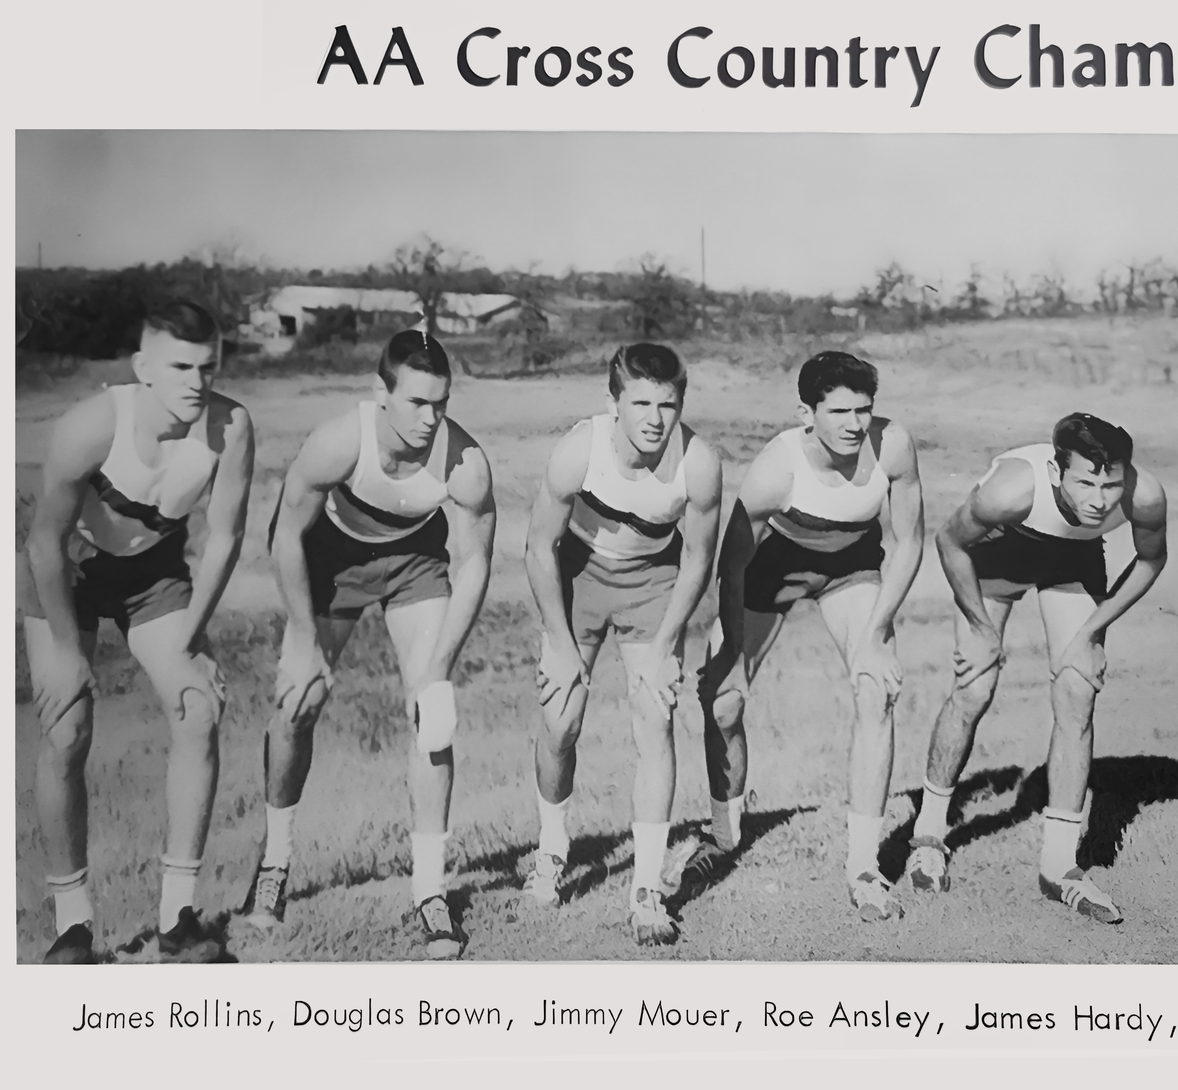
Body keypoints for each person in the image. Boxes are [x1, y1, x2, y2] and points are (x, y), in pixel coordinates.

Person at [246, 328, 496, 961]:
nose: (430, 417)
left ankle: (430, 890)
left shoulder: (464, 462)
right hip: (333, 560)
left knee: (433, 716)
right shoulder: (337, 442)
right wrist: (303, 637)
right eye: (415, 402)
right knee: (296, 705)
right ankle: (274, 863)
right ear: (379, 392)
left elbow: (472, 564)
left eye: (441, 403)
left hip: (414, 563)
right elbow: (285, 535)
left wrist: (437, 667)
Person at [22, 300, 254, 963]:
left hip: (152, 574)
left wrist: (194, 638)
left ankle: (178, 921)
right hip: (67, 571)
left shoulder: (231, 427)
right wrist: (68, 652)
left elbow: (225, 539)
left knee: (198, 707)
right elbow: (44, 543)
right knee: (66, 727)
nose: (196, 381)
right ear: (142, 367)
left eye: (208, 366)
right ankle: (72, 926)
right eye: (179, 365)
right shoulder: (91, 426)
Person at [905, 413, 1168, 924]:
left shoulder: (1145, 494)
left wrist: (1090, 633)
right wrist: (983, 631)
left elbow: (1151, 560)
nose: (1099, 499)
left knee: (1078, 690)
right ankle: (929, 835)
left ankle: (1059, 866)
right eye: (1085, 483)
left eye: (1110, 484)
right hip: (999, 552)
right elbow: (949, 542)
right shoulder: (1008, 492)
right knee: (975, 687)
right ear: (1055, 471)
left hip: (1073, 561)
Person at [696, 351, 924, 922]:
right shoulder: (777, 469)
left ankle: (864, 867)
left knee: (877, 689)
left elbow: (911, 543)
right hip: (771, 567)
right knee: (722, 703)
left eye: (864, 410)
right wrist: (729, 652)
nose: (854, 424)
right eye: (839, 411)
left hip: (852, 567)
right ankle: (723, 834)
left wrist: (875, 635)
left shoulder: (891, 446)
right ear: (807, 412)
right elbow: (733, 562)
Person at [523, 344, 722, 946]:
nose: (655, 418)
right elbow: (537, 548)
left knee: (654, 719)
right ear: (614, 403)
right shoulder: (579, 449)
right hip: (578, 576)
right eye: (640, 402)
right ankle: (552, 853)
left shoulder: (699, 461)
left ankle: (645, 890)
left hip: (652, 584)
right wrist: (558, 642)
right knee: (560, 722)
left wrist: (667, 644)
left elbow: (697, 560)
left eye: (668, 403)